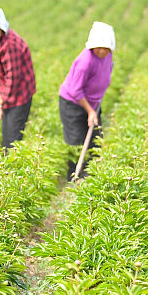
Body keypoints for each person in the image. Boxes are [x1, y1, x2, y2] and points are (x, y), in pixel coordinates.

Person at [59, 21, 115, 178]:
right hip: (73, 103)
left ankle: (90, 176)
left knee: (95, 141)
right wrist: (90, 111)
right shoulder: (85, 61)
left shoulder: (108, 55)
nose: (102, 51)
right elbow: (75, 90)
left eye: (106, 48)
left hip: (93, 103)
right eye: (99, 47)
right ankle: (73, 177)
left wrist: (93, 107)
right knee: (76, 141)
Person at [0, 5, 35, 148]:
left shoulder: (10, 45)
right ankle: (6, 158)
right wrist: (1, 95)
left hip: (20, 93)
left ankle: (12, 165)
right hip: (7, 91)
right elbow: (0, 71)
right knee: (6, 134)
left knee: (12, 139)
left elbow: (12, 77)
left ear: (1, 28)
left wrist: (0, 103)